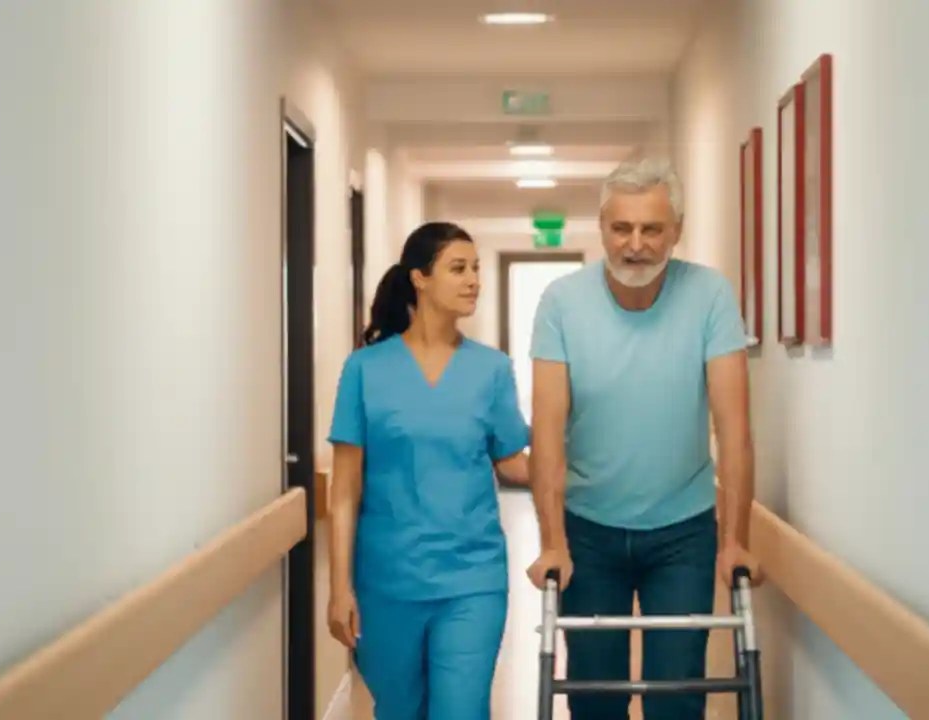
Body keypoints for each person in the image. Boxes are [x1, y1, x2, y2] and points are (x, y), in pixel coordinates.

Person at [524, 158, 763, 720]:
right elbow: (549, 432)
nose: (635, 245)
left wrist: (735, 540)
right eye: (621, 228)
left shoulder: (709, 296)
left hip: (683, 533)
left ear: (676, 231)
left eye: (652, 229)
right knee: (595, 696)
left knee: (677, 698)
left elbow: (735, 431)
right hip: (589, 532)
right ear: (602, 227)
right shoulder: (562, 302)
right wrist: (552, 539)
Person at [326, 221, 530, 720]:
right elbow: (345, 490)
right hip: (387, 582)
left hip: (472, 578)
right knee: (400, 711)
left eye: (477, 268)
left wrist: (586, 463)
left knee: (461, 711)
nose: (474, 280)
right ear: (419, 278)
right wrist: (339, 589)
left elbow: (515, 464)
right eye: (458, 268)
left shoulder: (492, 370)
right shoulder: (365, 369)